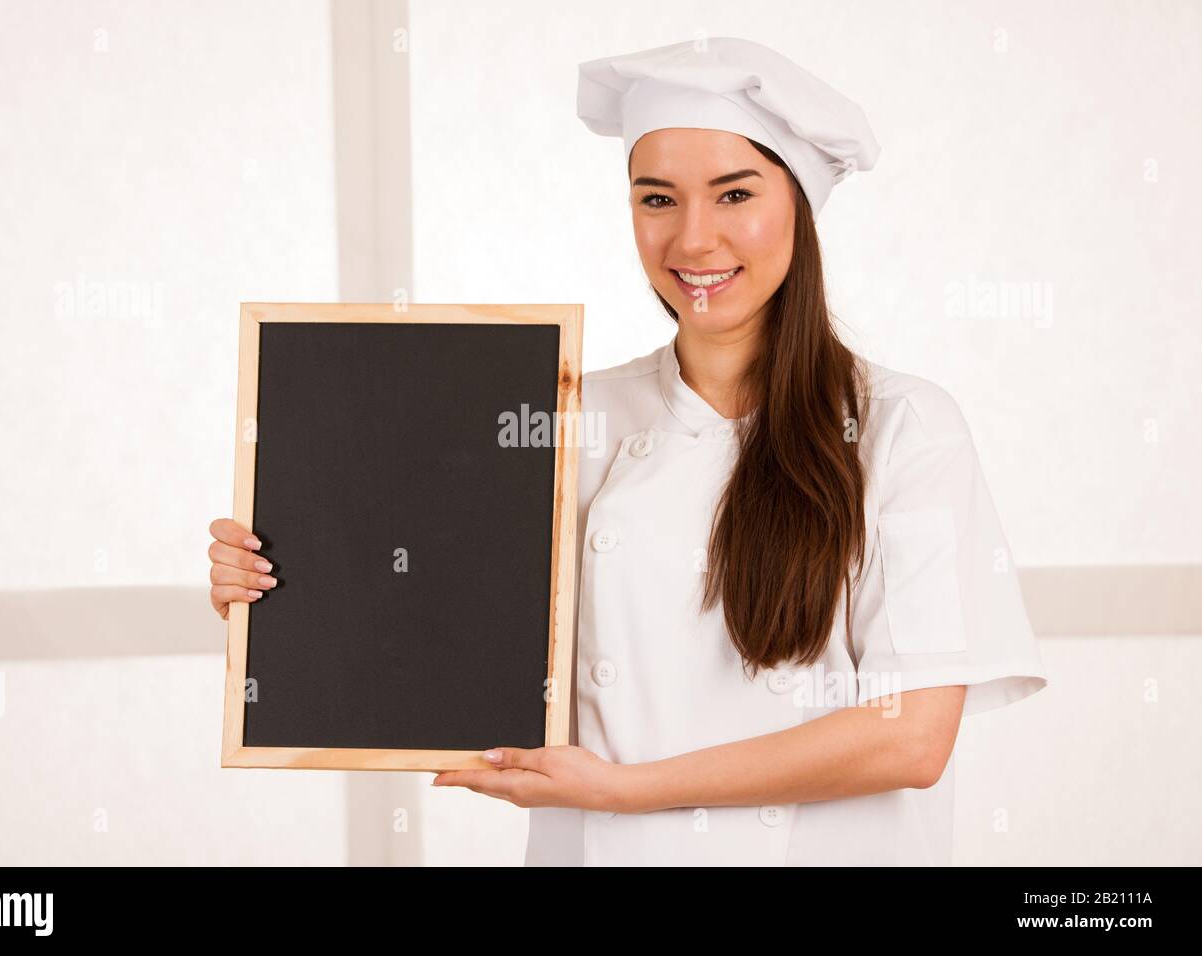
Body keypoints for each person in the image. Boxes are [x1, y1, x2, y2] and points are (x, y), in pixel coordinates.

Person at [207, 36, 1049, 866]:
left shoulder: (904, 428)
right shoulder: (565, 416)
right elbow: (438, 625)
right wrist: (287, 591)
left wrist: (624, 790)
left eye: (733, 195)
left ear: (800, 202)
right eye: (656, 200)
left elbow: (909, 741)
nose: (692, 242)